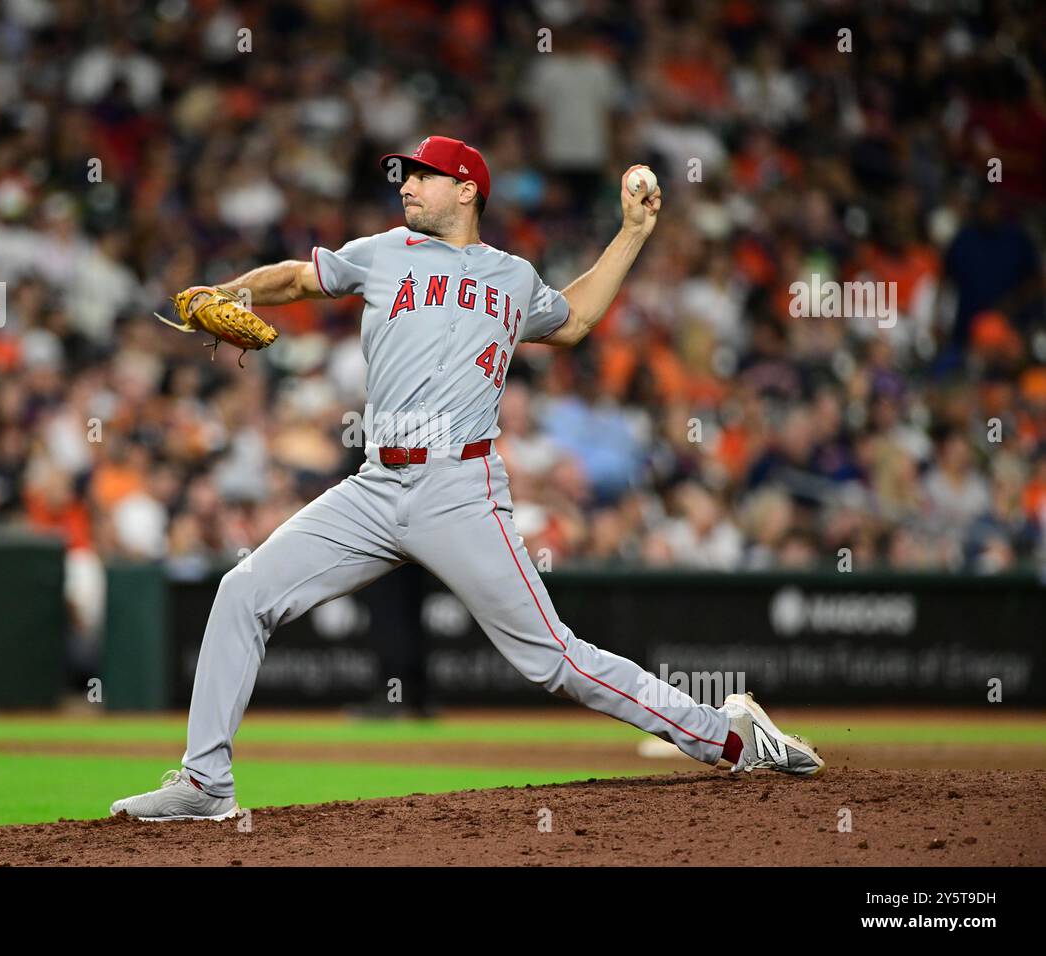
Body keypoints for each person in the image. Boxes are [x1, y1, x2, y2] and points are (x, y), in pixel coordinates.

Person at [111, 136, 822, 821]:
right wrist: (238, 290)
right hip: (374, 484)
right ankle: (206, 782)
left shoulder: (511, 276)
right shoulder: (381, 252)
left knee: (554, 661)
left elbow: (571, 322)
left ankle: (730, 736)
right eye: (404, 174)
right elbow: (298, 277)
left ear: (466, 189)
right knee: (243, 591)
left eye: (421, 175)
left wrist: (632, 232)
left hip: (460, 486)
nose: (407, 185)